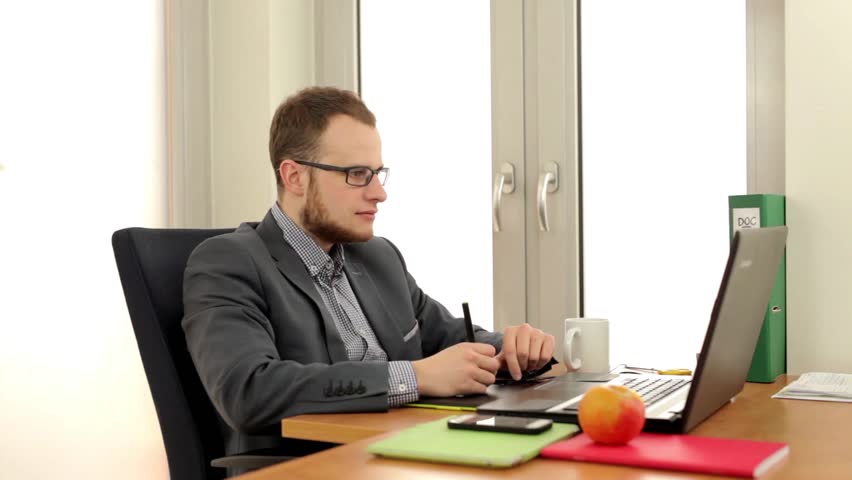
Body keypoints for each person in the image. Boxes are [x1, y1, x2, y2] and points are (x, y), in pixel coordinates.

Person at [182, 86, 556, 460]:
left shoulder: (377, 256)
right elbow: (248, 392)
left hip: (404, 451)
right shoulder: (227, 262)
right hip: (312, 466)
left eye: (378, 173)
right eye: (357, 174)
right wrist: (416, 377)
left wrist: (510, 348)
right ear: (294, 176)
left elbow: (445, 338)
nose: (379, 193)